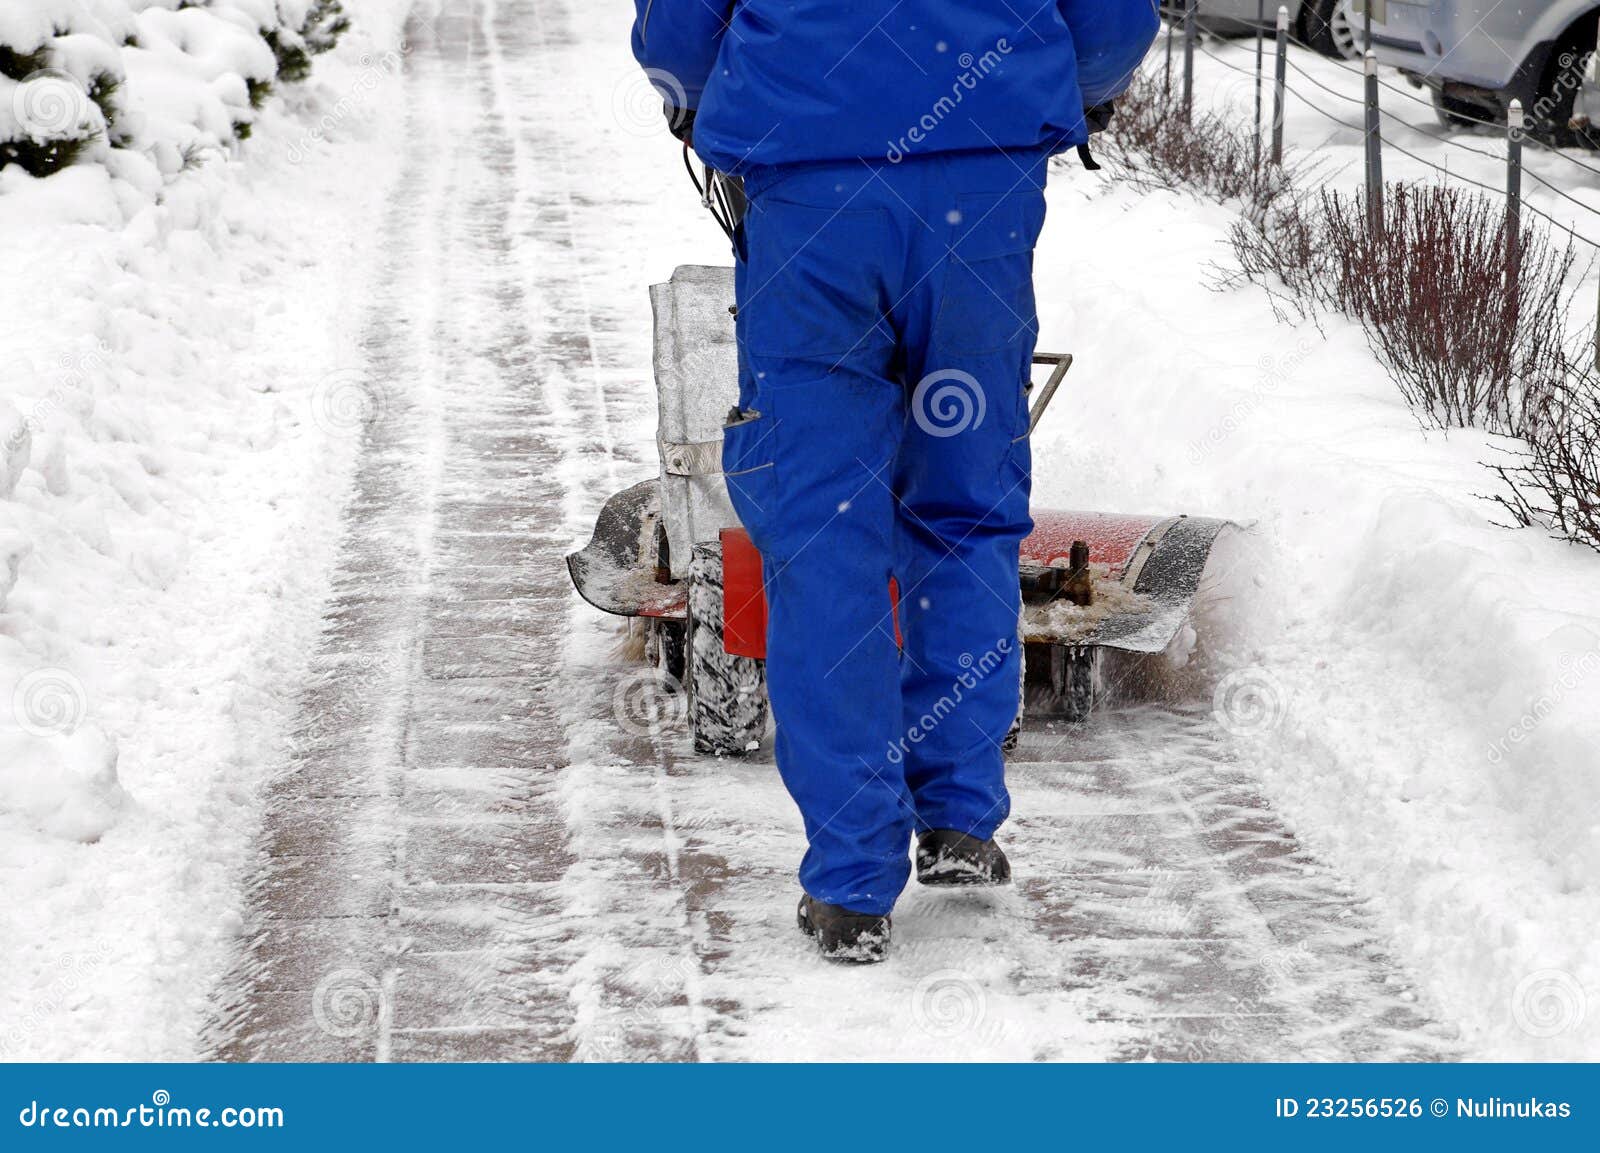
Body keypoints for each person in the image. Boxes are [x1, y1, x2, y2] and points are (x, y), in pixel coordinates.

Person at [631, 1, 1159, 962]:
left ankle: (850, 880)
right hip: (980, 183)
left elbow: (676, 30)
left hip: (810, 192)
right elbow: (1115, 17)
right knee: (963, 504)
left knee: (823, 532)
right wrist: (1069, 96)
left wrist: (715, 110)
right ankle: (959, 815)